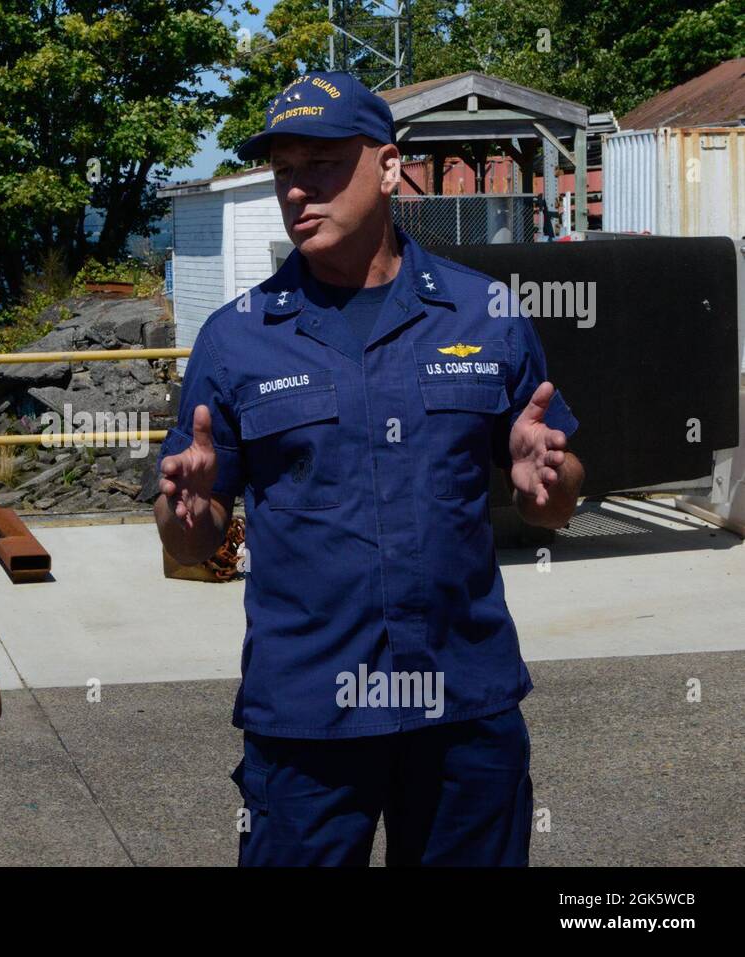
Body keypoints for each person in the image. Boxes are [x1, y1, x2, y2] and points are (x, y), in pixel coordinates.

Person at [154, 71, 585, 866]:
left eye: (321, 164)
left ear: (387, 167)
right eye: (285, 171)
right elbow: (192, 542)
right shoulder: (235, 338)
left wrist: (550, 484)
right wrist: (185, 518)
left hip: (464, 706)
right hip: (308, 721)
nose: (297, 191)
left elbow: (555, 501)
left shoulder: (485, 313)